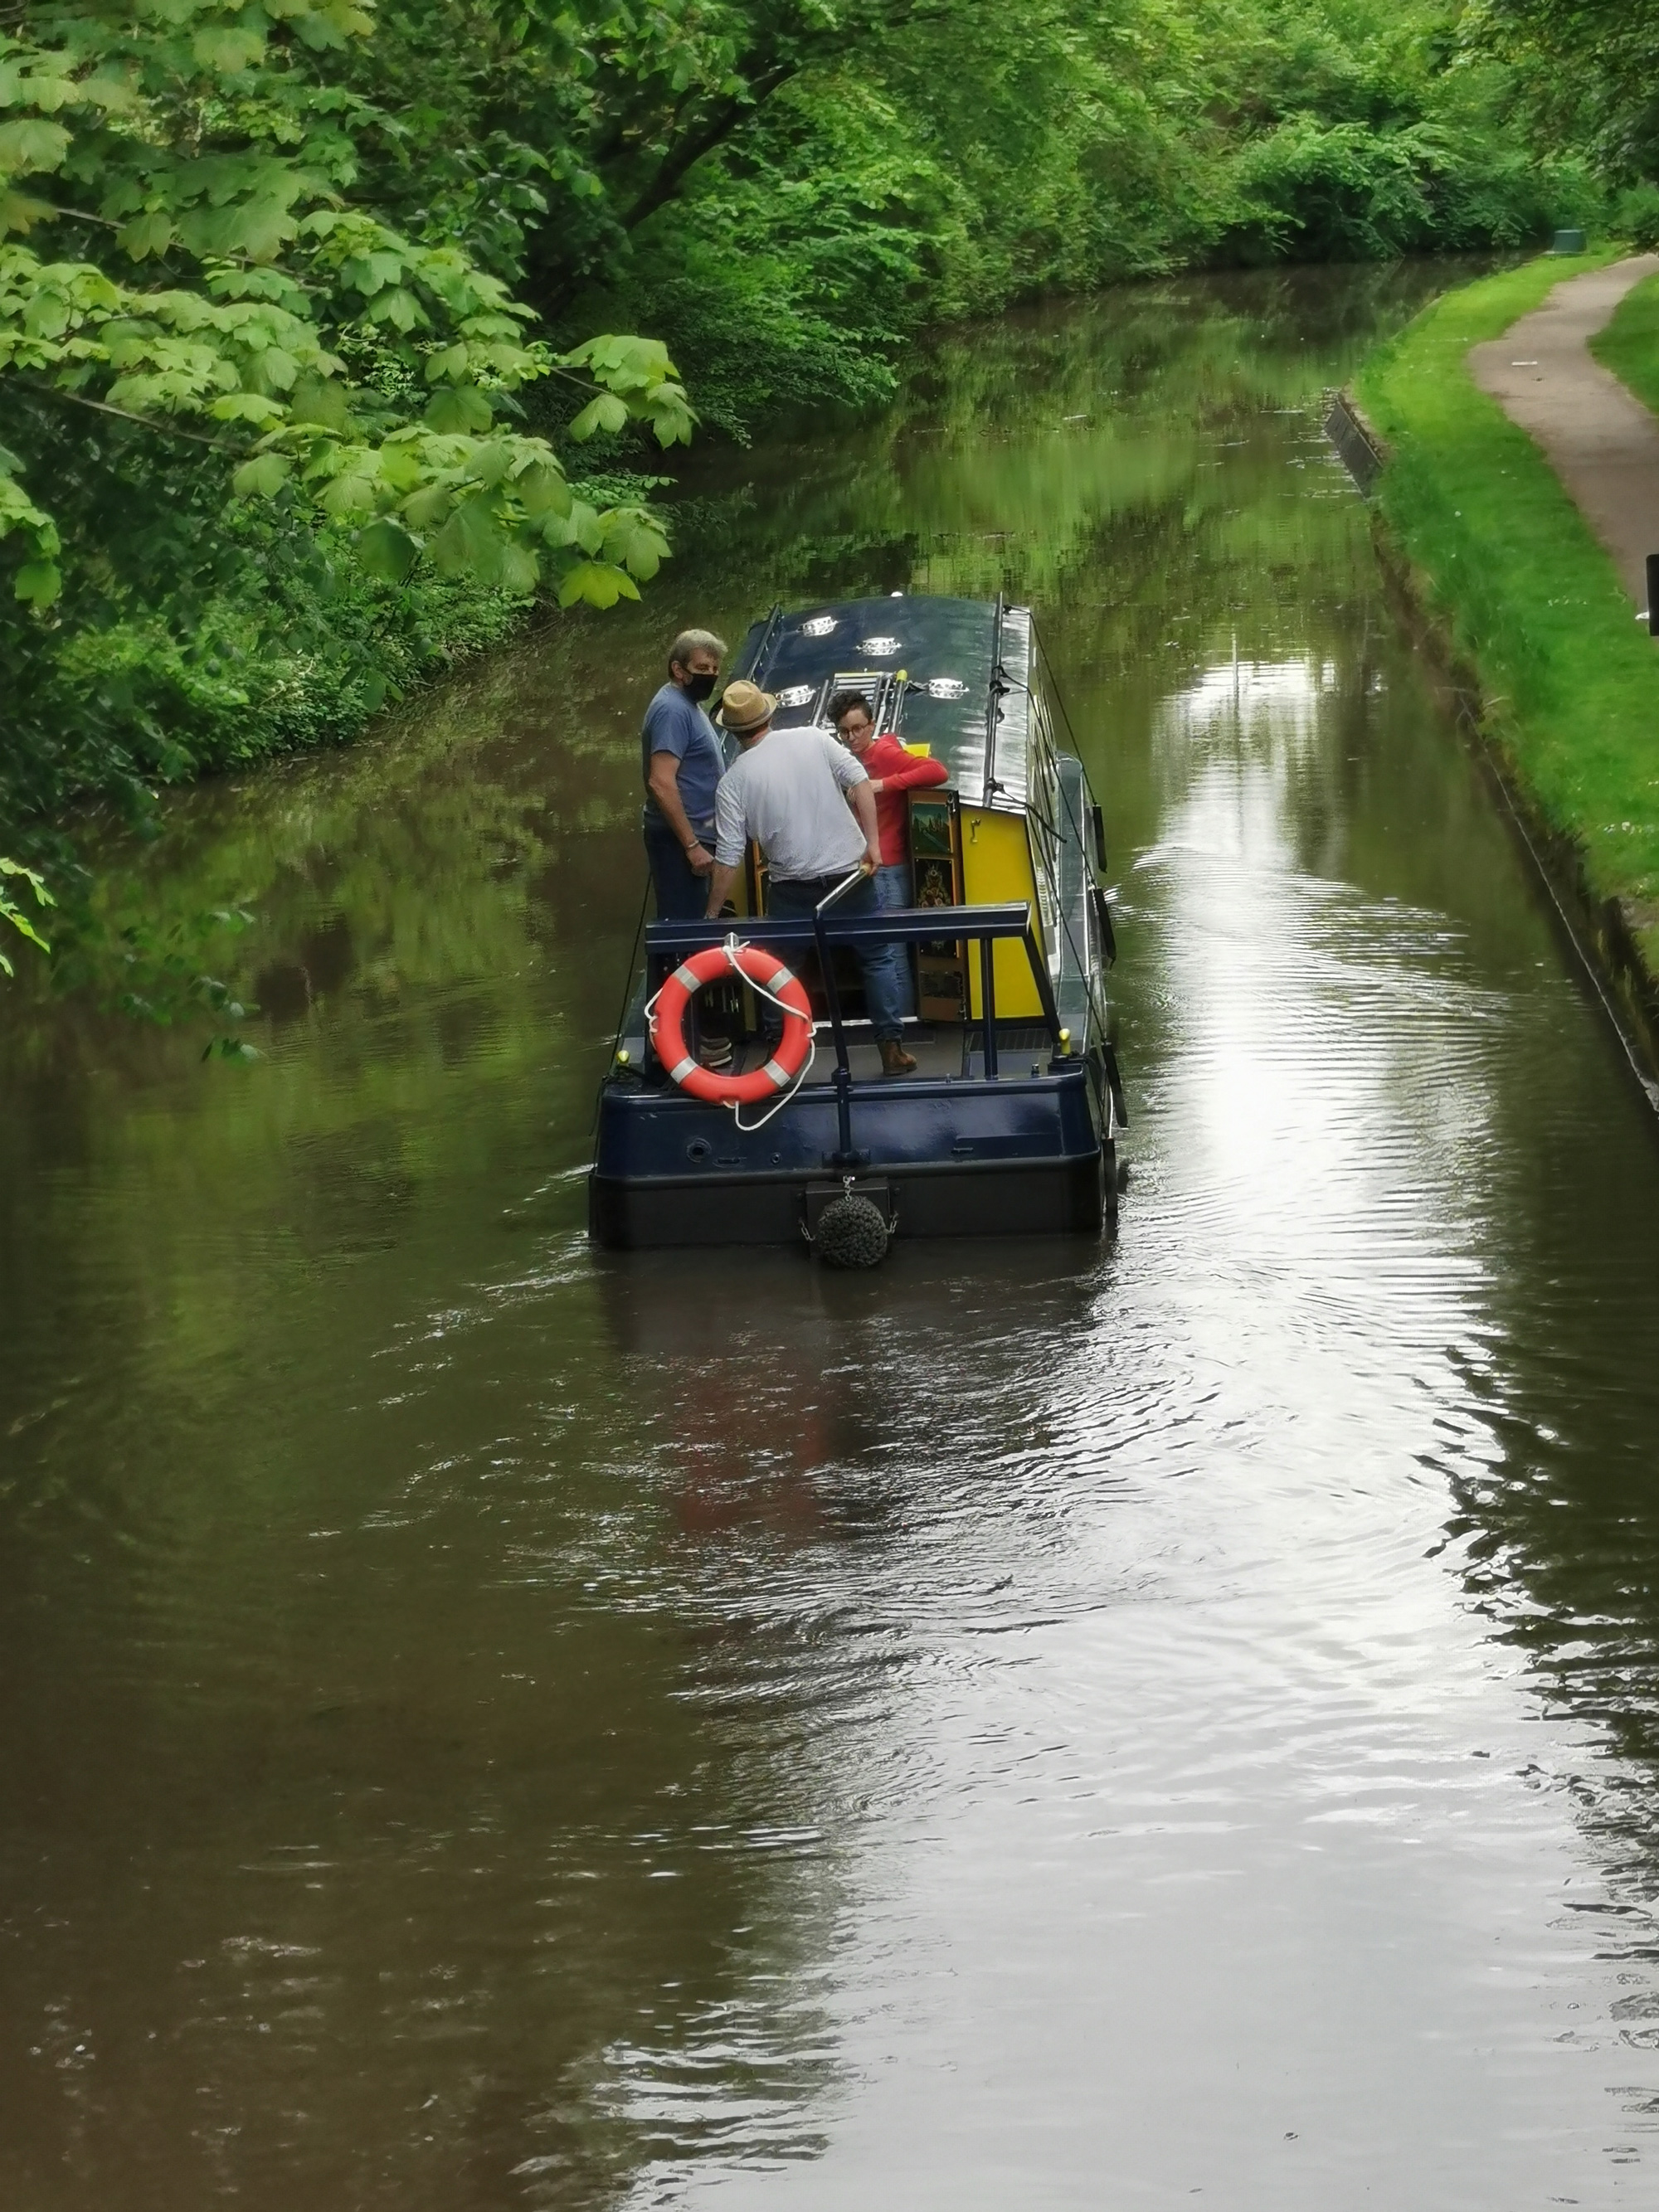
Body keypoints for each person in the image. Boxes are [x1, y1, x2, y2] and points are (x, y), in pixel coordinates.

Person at [703, 681, 917, 1076]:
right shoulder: (812, 737)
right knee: (876, 958)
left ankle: (779, 1056)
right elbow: (859, 783)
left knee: (779, 968)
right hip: (851, 879)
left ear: (732, 733)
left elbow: (729, 857)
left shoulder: (732, 783)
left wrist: (713, 913)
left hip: (791, 889)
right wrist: (873, 845)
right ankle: (891, 1049)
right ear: (769, 715)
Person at [828, 689, 949, 1020]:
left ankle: (902, 1027)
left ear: (871, 724)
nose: (853, 737)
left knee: (891, 954)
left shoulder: (882, 753)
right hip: (868, 869)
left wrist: (881, 785)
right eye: (845, 732)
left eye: (858, 728)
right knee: (882, 952)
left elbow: (937, 772)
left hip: (889, 870)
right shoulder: (848, 759)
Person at [640, 628, 727, 921]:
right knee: (683, 928)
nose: (711, 675)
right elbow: (661, 781)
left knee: (692, 921)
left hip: (695, 836)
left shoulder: (688, 704)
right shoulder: (672, 710)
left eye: (715, 669)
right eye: (702, 668)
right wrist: (692, 846)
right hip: (680, 841)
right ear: (678, 669)